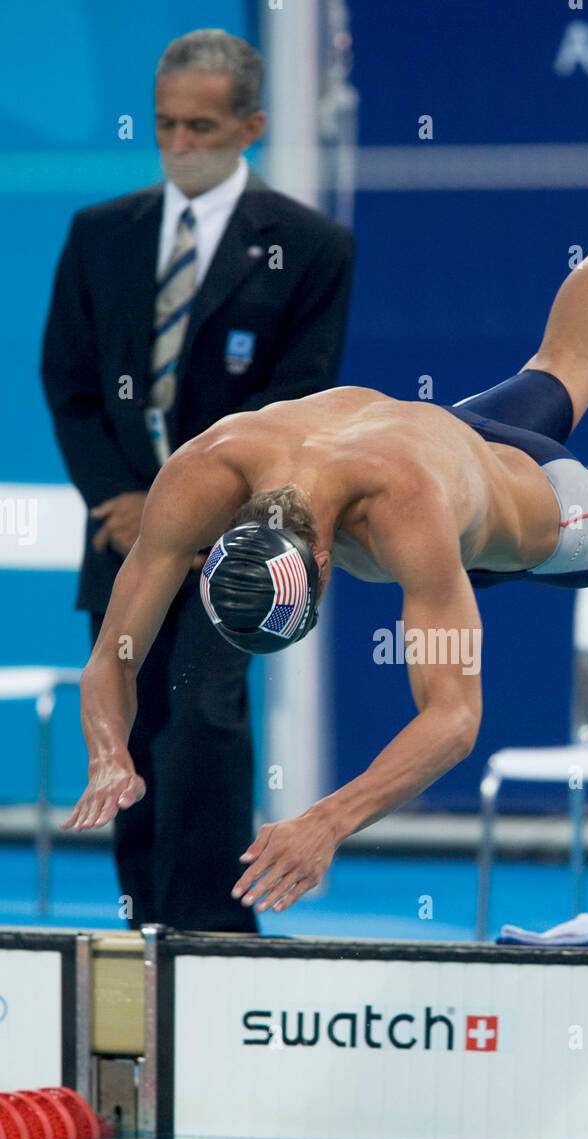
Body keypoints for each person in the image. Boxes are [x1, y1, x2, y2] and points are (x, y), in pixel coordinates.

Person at [63, 102, 588, 922]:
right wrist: (109, 750)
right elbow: (114, 654)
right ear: (222, 538)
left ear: (324, 564)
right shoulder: (205, 466)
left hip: (534, 504)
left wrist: (325, 822)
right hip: (453, 430)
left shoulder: (404, 511)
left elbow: (453, 719)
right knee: (560, 359)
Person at [42, 30, 354, 933]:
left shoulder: (309, 247)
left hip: (238, 547)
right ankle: (144, 929)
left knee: (207, 732)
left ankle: (211, 940)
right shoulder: (101, 236)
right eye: (166, 126)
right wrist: (123, 505)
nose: (180, 144)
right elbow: (68, 386)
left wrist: (189, 508)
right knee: (131, 737)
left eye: (202, 127)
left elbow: (299, 404)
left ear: (251, 125)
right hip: (122, 537)